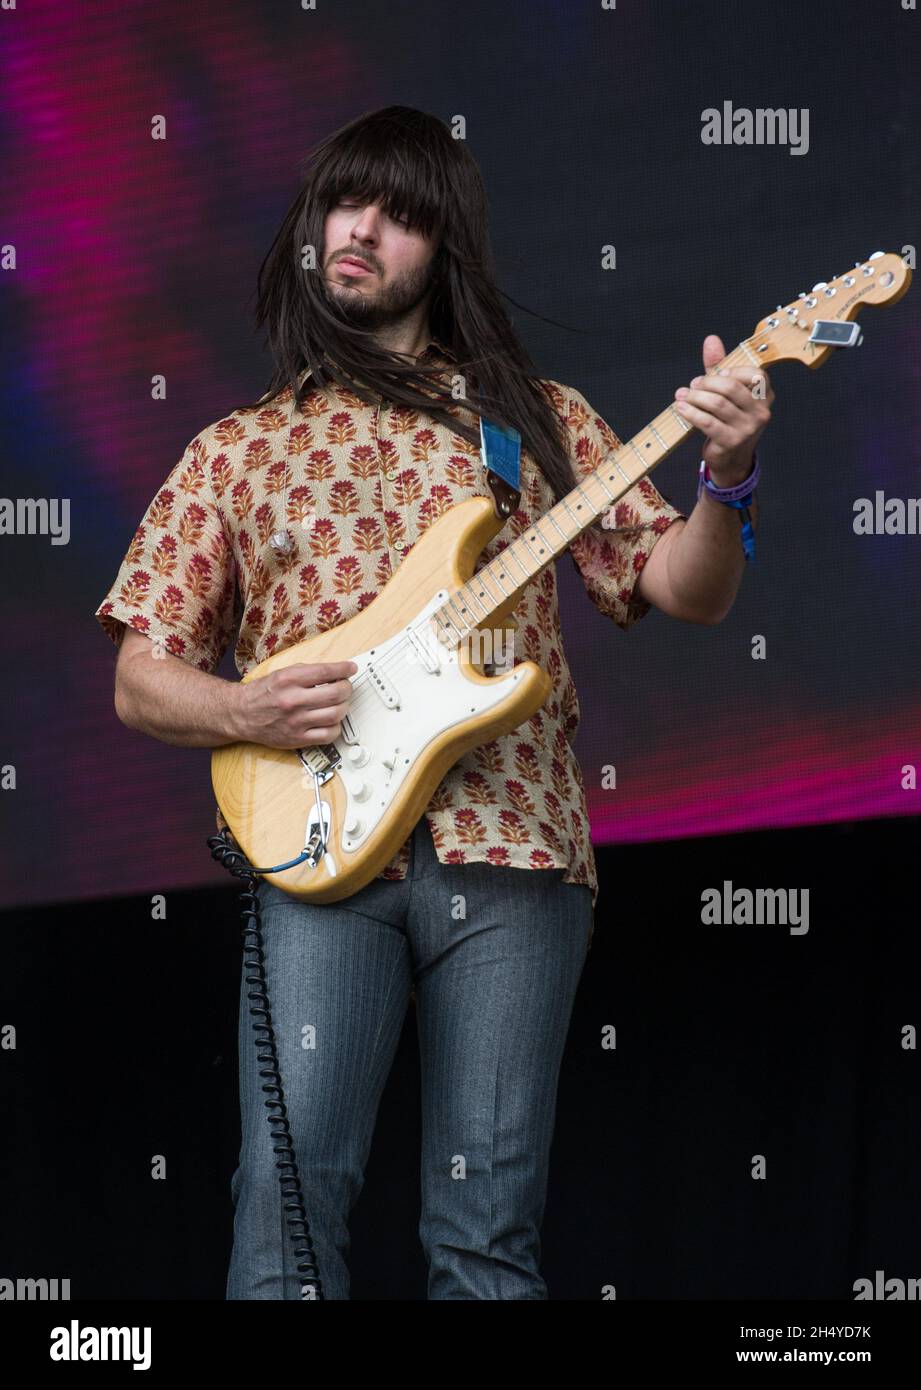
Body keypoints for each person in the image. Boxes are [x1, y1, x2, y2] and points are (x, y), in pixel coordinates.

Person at [95, 105, 773, 1300]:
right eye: (345, 205)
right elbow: (139, 675)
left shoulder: (536, 420)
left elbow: (681, 585)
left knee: (485, 1235)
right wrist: (247, 714)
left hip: (512, 850)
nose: (363, 230)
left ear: (442, 247)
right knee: (286, 1213)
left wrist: (727, 474)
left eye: (402, 214)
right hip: (318, 858)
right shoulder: (235, 452)